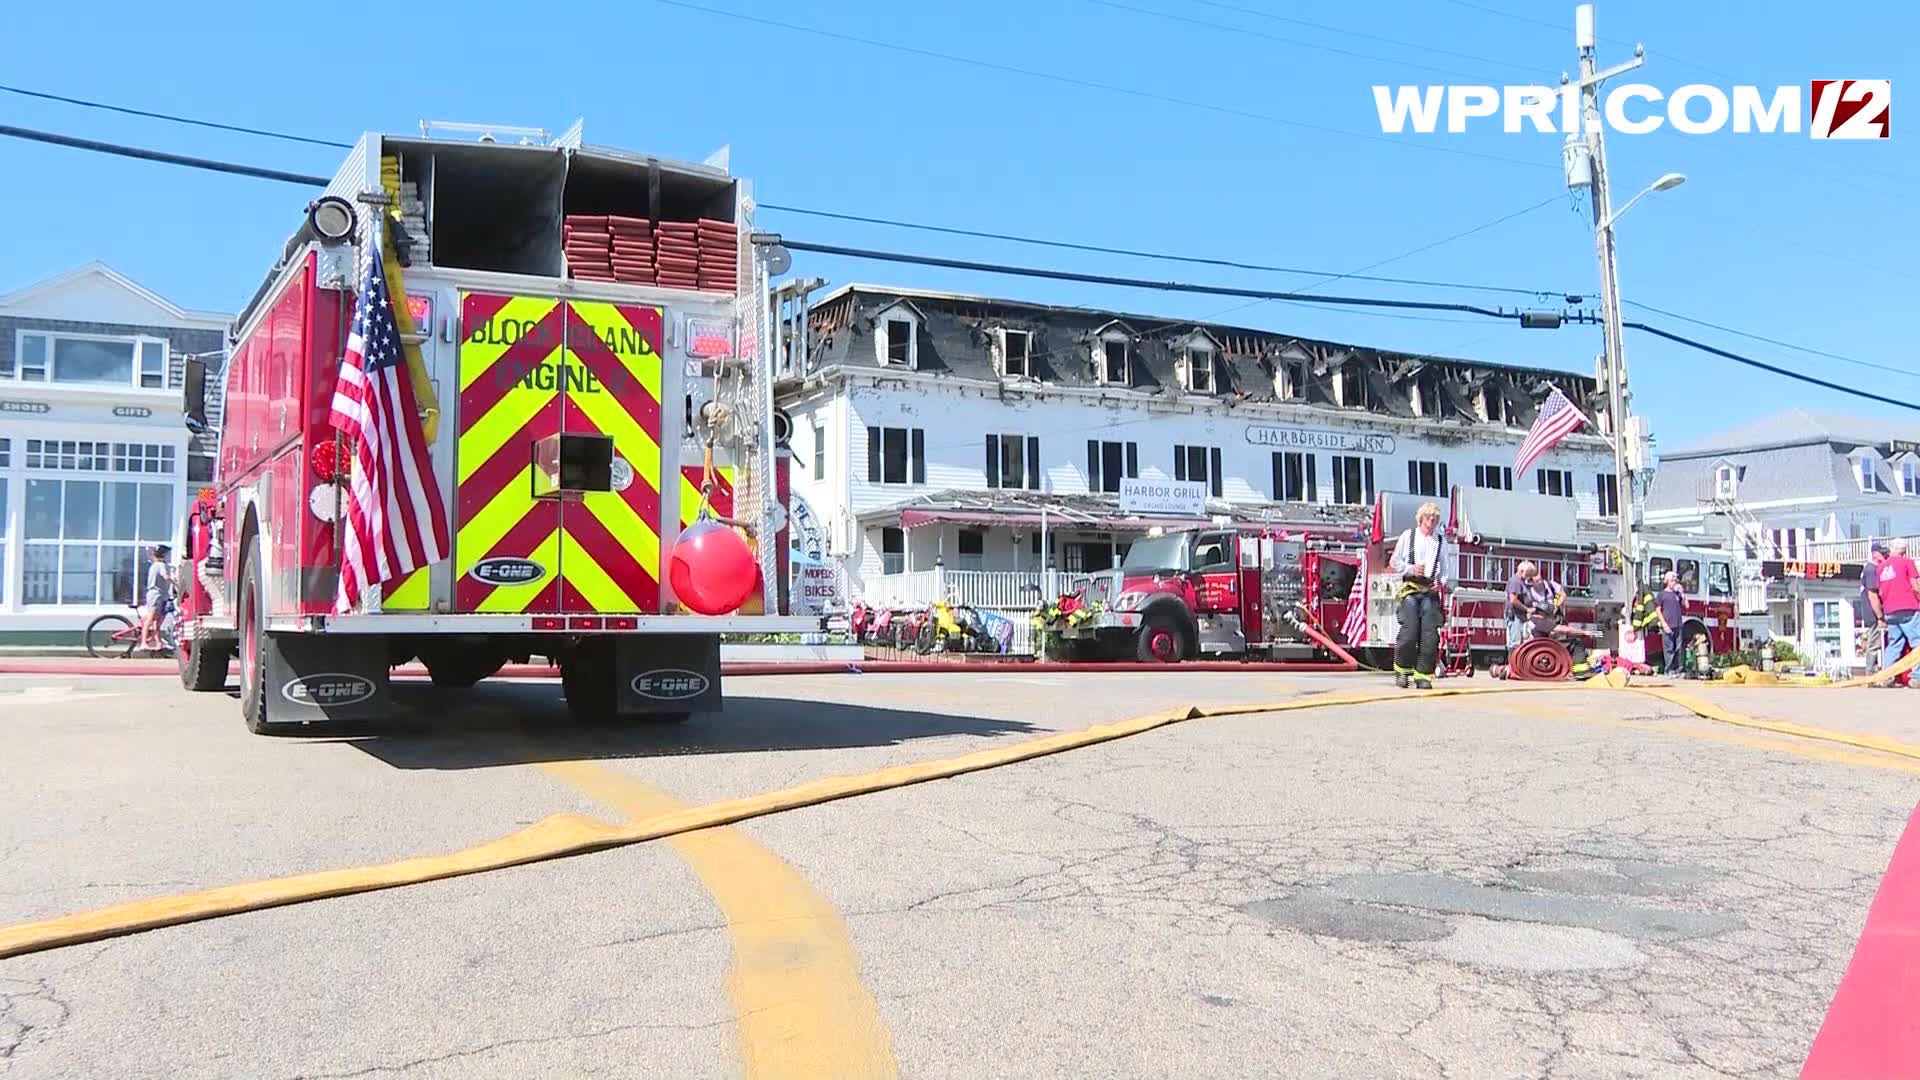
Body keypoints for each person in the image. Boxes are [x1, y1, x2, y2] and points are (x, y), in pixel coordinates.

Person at [1389, 502, 1447, 690]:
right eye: (1429, 517)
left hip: (1430, 591)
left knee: (1430, 636)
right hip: (1411, 589)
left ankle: (1423, 675)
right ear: (1421, 518)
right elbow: (1394, 561)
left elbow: (1446, 570)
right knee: (1410, 631)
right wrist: (1411, 568)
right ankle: (1402, 671)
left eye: (1435, 518)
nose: (1432, 521)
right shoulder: (1408, 536)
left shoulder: (1441, 541)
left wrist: (1441, 582)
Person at [1867, 537, 1920, 686]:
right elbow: (1915, 586)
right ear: (1904, 551)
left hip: (1890, 610)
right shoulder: (1907, 563)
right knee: (1918, 643)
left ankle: (1886, 676)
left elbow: (1880, 590)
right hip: (1909, 607)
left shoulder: (1881, 567)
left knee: (1894, 643)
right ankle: (1917, 677)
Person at [1860, 542, 1889, 676]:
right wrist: (1880, 617)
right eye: (1883, 553)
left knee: (1879, 642)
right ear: (1875, 554)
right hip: (1873, 613)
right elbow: (1872, 595)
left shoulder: (1870, 568)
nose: (1886, 555)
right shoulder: (1871, 569)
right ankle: (1870, 673)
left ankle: (1875, 671)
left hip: (1872, 612)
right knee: (1874, 644)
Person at [138, 544, 174, 652]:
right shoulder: (160, 565)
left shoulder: (154, 565)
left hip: (159, 595)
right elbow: (165, 577)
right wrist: (176, 583)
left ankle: (159, 643)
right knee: (151, 619)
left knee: (156, 621)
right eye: (168, 554)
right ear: (163, 555)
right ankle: (143, 643)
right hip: (156, 595)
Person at [1654, 569, 1686, 677]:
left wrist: (1682, 593)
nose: (1674, 582)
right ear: (1666, 581)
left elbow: (1686, 605)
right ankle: (1669, 670)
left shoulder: (1677, 594)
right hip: (1668, 625)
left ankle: (1680, 670)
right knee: (1669, 649)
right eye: (1672, 580)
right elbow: (1658, 610)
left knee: (1679, 648)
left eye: (1675, 580)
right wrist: (1663, 624)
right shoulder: (1662, 595)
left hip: (1678, 624)